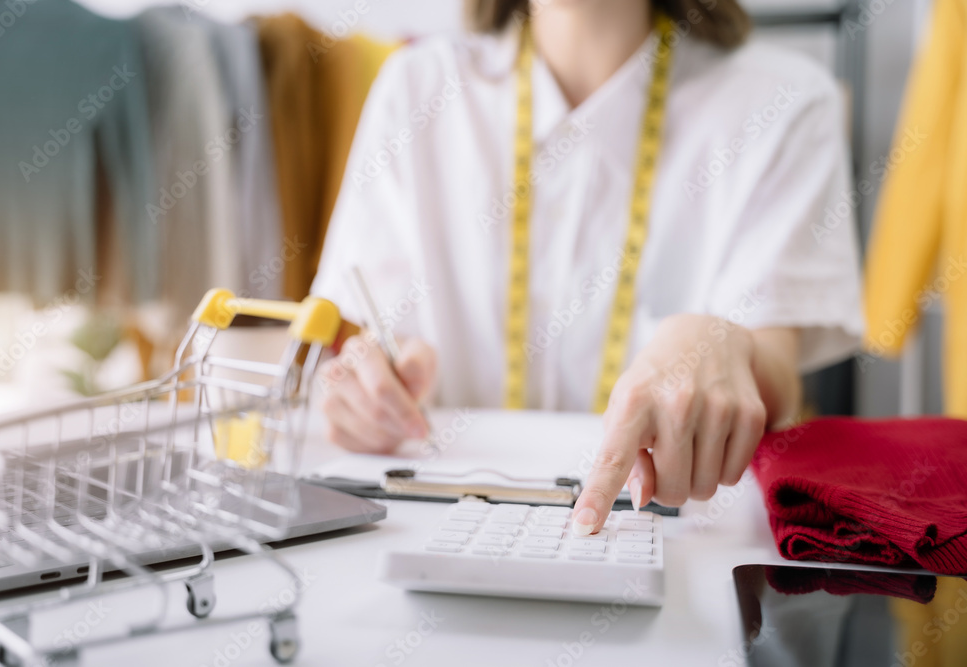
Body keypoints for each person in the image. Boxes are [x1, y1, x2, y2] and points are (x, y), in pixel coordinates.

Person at [310, 0, 863, 536]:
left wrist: (723, 344)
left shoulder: (785, 102)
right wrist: (361, 392)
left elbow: (777, 376)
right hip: (436, 530)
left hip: (678, 541)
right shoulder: (416, 87)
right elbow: (359, 339)